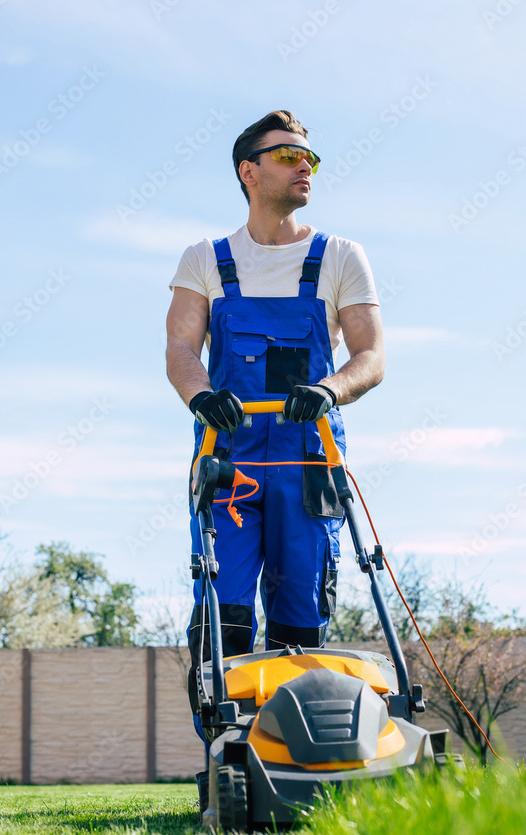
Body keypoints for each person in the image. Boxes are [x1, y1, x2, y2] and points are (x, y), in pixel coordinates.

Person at [166, 110, 385, 733]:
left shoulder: (340, 255)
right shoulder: (206, 259)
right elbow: (180, 347)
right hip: (229, 461)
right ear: (249, 171)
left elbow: (371, 357)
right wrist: (200, 395)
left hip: (309, 463)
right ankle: (225, 746)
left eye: (310, 158)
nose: (304, 166)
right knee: (222, 611)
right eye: (289, 155)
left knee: (298, 619)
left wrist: (330, 388)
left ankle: (296, 745)